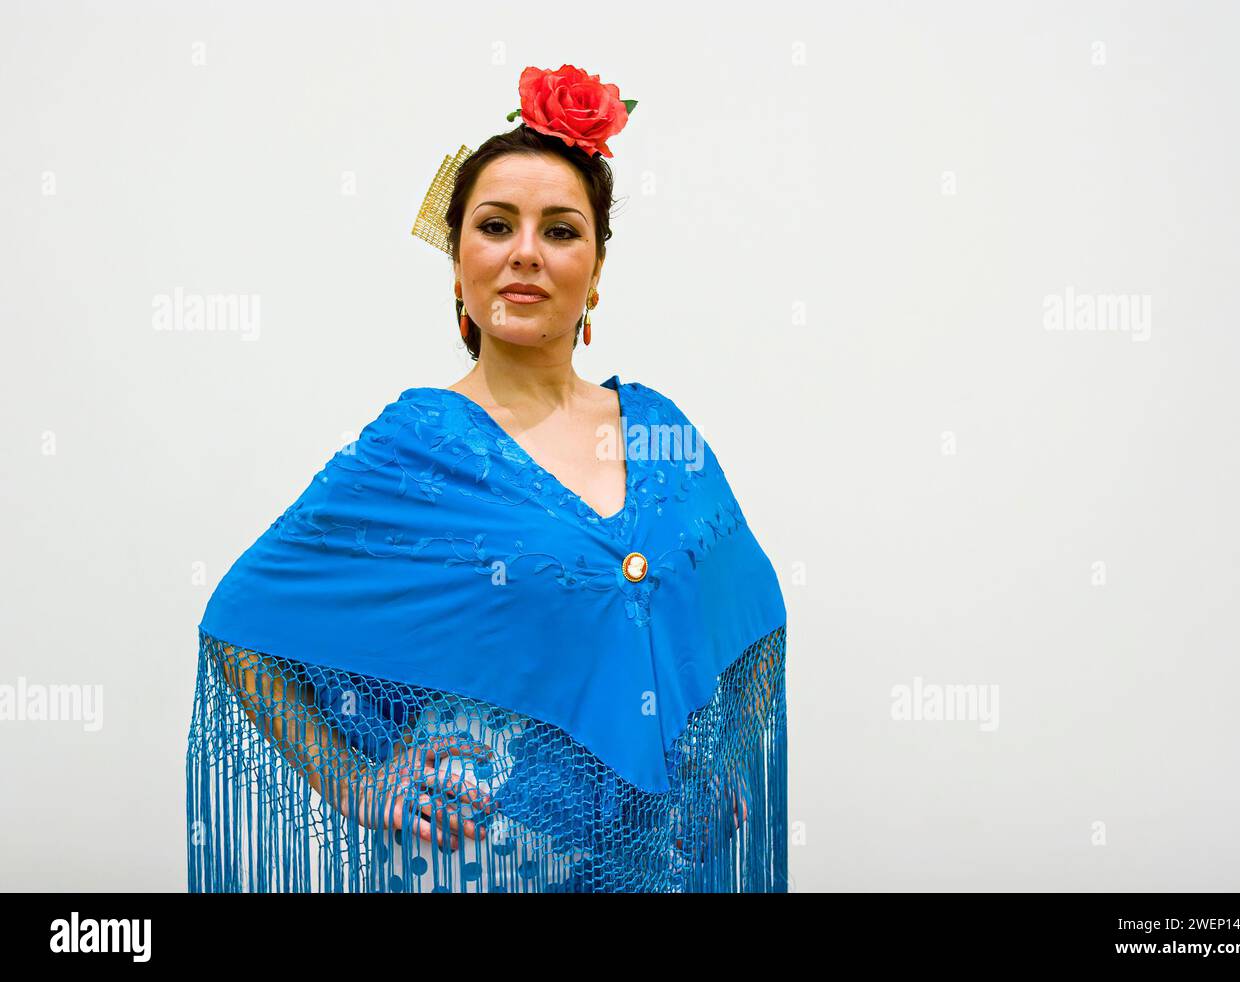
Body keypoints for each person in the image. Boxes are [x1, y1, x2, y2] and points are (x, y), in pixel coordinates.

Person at [186, 64, 788, 893]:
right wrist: (356, 782)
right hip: (481, 859)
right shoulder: (418, 445)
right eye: (496, 226)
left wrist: (720, 768)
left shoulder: (662, 435)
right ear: (460, 266)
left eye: (561, 230)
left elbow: (744, 617)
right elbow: (242, 628)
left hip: (661, 863)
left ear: (598, 273)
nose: (526, 255)